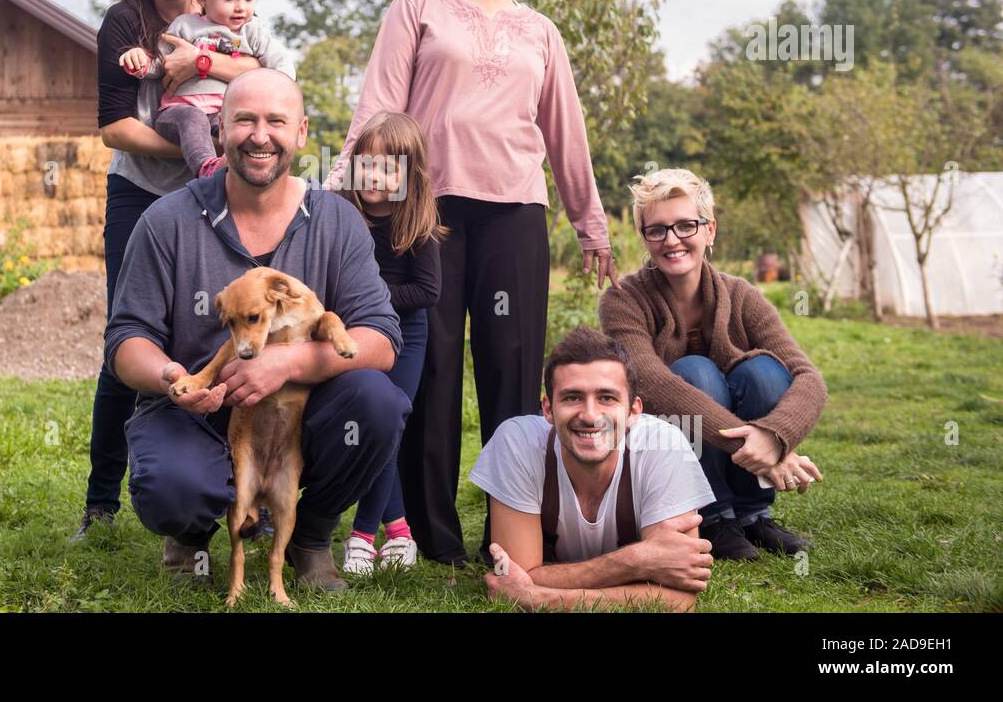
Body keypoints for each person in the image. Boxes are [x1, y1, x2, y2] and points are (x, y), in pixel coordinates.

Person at [328, 0, 617, 565]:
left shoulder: (541, 32)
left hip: (515, 212)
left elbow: (565, 131)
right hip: (425, 214)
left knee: (512, 375)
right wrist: (342, 189)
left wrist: (591, 221)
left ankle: (510, 535)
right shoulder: (419, 5)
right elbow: (378, 106)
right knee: (426, 372)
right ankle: (430, 536)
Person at [105, 68, 411, 589]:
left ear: (302, 133)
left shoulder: (337, 221)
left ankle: (310, 537)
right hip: (198, 415)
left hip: (298, 416)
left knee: (379, 403)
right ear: (219, 131)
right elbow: (126, 340)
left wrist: (290, 363)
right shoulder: (166, 220)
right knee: (174, 486)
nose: (260, 135)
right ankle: (192, 531)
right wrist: (172, 377)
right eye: (244, 120)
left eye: (276, 120)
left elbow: (381, 339)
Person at [75, 0, 265, 541]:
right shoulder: (124, 22)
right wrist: (198, 154)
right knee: (126, 338)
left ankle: (237, 488)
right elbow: (113, 127)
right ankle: (101, 499)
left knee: (232, 328)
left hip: (221, 192)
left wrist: (205, 64)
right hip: (144, 192)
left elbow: (269, 73)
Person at [598, 169, 826, 561]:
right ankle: (711, 515)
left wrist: (775, 437)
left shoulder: (742, 295)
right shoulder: (623, 299)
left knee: (764, 373)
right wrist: (761, 449)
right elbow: (652, 384)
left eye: (686, 225)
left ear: (710, 230)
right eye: (657, 230)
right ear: (645, 237)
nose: (671, 240)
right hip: (657, 445)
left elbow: (809, 379)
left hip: (735, 439)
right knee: (694, 374)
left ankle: (753, 515)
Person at [474, 327, 716, 612]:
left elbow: (679, 598)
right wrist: (638, 560)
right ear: (548, 409)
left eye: (607, 398)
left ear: (634, 411)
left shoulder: (665, 445)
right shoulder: (516, 442)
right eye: (572, 397)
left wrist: (541, 598)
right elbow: (517, 576)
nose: (590, 416)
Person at [338, 112, 445, 574]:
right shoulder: (342, 216)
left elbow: (427, 292)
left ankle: (362, 535)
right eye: (368, 165)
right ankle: (399, 530)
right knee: (372, 423)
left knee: (392, 426)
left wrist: (369, 296)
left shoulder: (416, 225)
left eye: (388, 168)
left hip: (407, 335)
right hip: (358, 335)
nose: (375, 177)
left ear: (409, 176)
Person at [123, 0, 294, 178]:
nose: (241, 7)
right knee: (193, 119)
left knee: (242, 125)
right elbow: (162, 63)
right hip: (178, 112)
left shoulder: (252, 32)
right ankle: (207, 169)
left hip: (222, 113)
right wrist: (140, 62)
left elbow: (283, 66)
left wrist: (276, 89)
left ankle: (256, 177)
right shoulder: (185, 25)